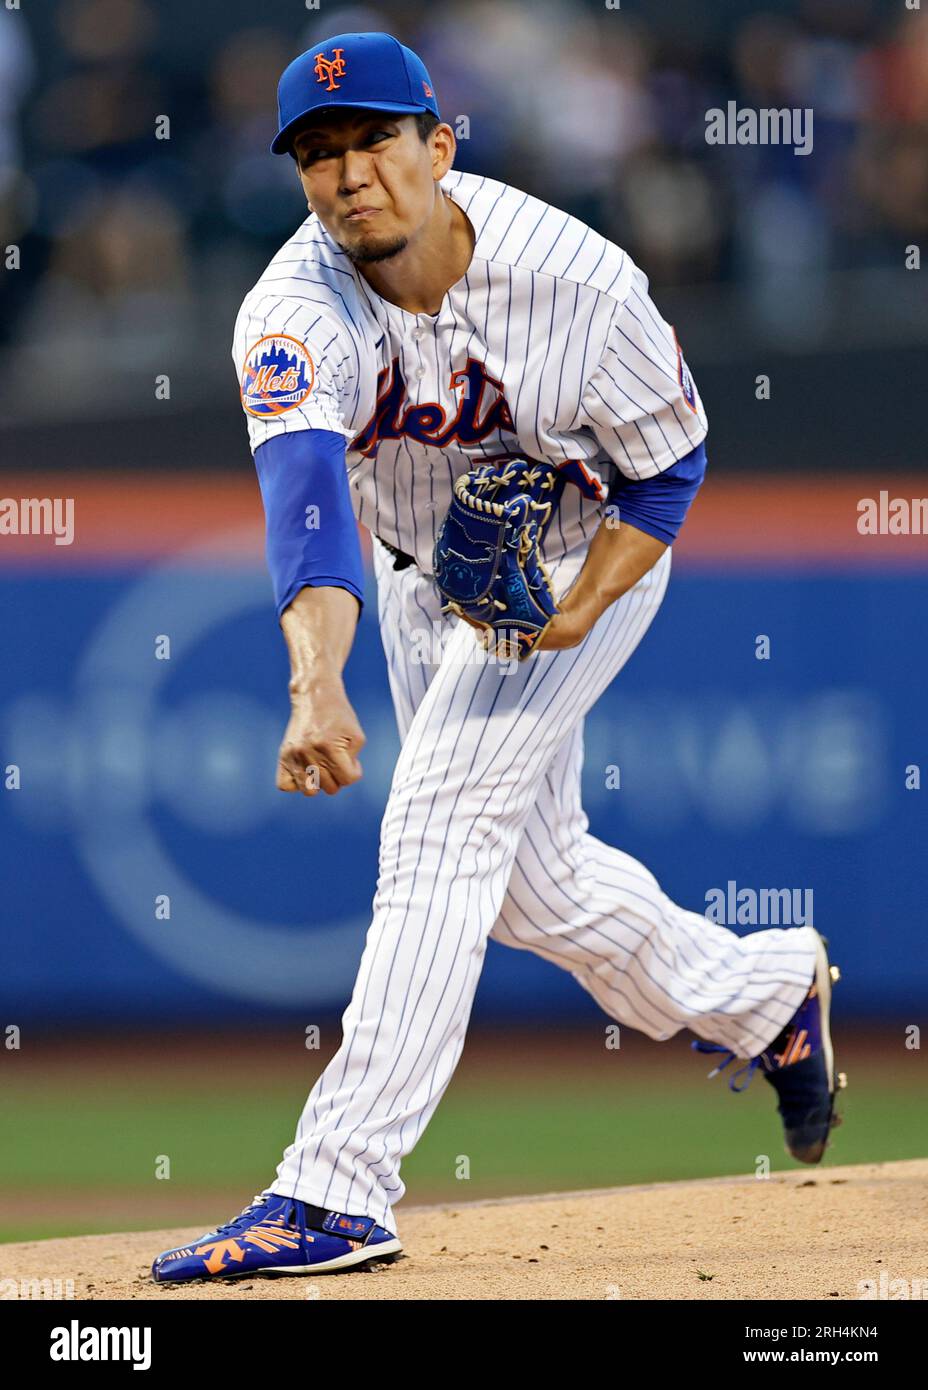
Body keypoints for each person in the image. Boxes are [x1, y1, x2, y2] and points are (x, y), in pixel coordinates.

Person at [151, 32, 843, 1285]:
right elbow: (309, 503)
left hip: (586, 559)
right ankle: (762, 991)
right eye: (316, 153)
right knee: (529, 887)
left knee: (437, 825)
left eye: (371, 139)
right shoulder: (291, 310)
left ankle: (336, 1187)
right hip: (429, 583)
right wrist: (316, 683)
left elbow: (669, 466)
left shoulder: (578, 281)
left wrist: (578, 609)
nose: (347, 173)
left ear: (439, 145)